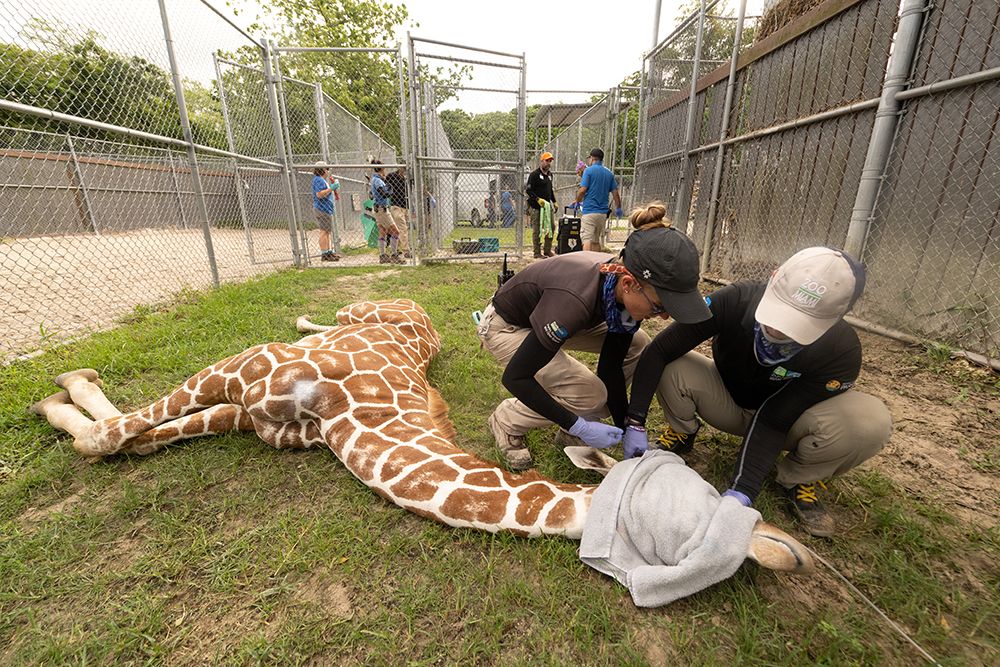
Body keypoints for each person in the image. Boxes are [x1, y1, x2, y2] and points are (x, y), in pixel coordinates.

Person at [622, 247, 893, 537]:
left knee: (870, 421)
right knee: (672, 363)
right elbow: (661, 349)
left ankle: (800, 478)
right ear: (774, 278)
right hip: (727, 399)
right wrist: (635, 421)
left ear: (839, 315)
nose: (777, 330)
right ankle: (682, 432)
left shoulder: (842, 351)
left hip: (789, 423)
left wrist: (742, 490)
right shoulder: (736, 299)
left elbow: (774, 418)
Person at [477, 201, 711, 471]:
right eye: (660, 306)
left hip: (545, 317)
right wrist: (577, 423)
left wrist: (629, 426)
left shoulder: (619, 292)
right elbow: (516, 377)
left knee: (639, 344)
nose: (664, 317)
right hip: (507, 326)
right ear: (629, 285)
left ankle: (578, 418)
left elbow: (611, 366)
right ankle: (508, 419)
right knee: (591, 395)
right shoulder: (574, 303)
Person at [574, 148, 623, 252]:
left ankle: (586, 265)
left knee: (587, 239)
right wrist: (618, 208)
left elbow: (582, 190)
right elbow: (615, 194)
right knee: (596, 241)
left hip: (589, 212)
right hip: (602, 214)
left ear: (592, 158)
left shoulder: (588, 171)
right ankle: (597, 264)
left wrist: (577, 201)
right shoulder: (609, 173)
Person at [370, 160, 404, 264]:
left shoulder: (375, 179)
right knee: (396, 232)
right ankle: (394, 255)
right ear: (381, 168)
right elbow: (385, 194)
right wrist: (389, 188)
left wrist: (386, 184)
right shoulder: (378, 180)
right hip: (382, 209)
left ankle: (383, 255)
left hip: (378, 208)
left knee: (382, 232)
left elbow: (372, 194)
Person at [524, 151, 557, 258]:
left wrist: (554, 201)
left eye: (550, 161)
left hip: (547, 207)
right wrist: (537, 199)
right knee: (537, 230)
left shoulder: (550, 175)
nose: (549, 163)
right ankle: (537, 253)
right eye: (547, 161)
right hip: (535, 206)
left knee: (551, 226)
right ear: (541, 161)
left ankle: (547, 250)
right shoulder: (534, 175)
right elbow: (528, 190)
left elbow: (550, 190)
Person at [311, 162, 341, 261]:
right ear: (323, 170)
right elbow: (319, 194)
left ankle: (328, 252)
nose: (328, 171)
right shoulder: (318, 180)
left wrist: (332, 188)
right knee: (324, 231)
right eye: (326, 169)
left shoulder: (321, 180)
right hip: (322, 208)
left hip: (326, 208)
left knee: (327, 231)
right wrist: (331, 189)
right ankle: (324, 253)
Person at [384, 164, 412, 258]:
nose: (404, 170)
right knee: (402, 228)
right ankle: (406, 250)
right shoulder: (392, 176)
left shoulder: (408, 178)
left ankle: (397, 249)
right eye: (403, 168)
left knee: (401, 229)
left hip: (406, 206)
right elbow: (385, 186)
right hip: (396, 206)